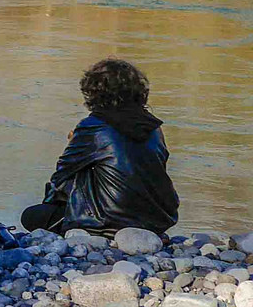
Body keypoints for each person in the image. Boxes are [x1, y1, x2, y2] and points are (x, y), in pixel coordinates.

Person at [20, 58, 179, 235]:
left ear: (94, 92)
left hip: (107, 222)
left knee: (30, 216)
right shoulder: (154, 127)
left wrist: (74, 142)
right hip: (157, 220)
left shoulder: (94, 126)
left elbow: (62, 174)